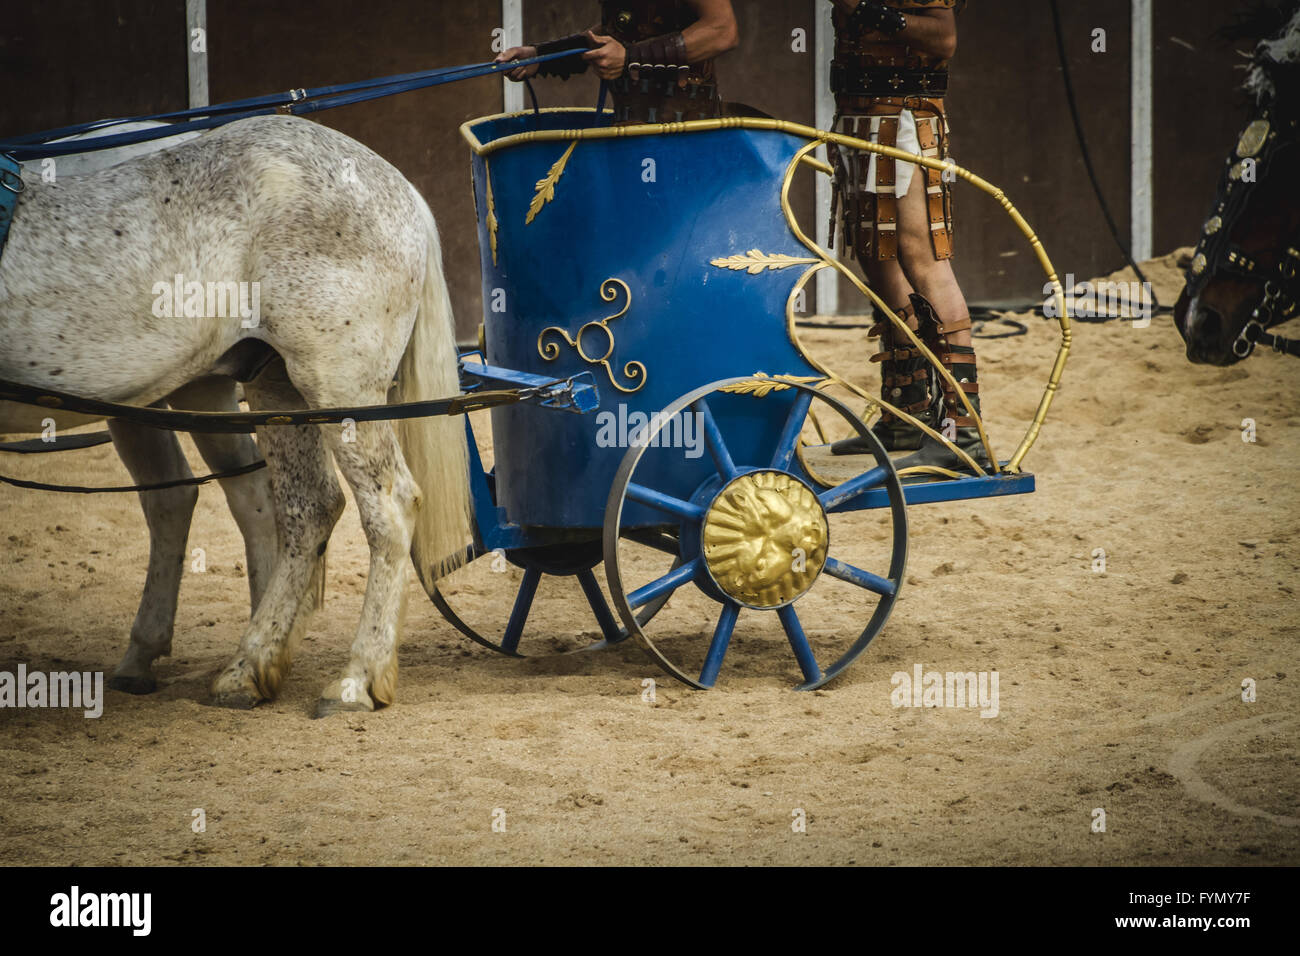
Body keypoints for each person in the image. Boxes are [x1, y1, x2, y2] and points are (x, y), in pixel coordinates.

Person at [825, 0, 984, 469]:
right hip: (861, 118)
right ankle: (907, 414)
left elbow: (943, 39)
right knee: (878, 257)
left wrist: (867, 10)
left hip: (904, 121)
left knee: (925, 262)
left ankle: (964, 433)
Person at [495, 1, 739, 126]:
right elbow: (617, 34)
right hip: (630, 134)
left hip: (690, 138)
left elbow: (721, 30)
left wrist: (630, 58)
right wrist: (540, 57)